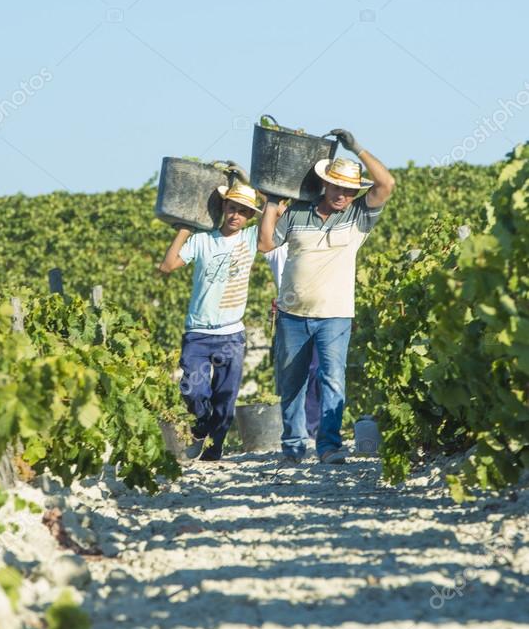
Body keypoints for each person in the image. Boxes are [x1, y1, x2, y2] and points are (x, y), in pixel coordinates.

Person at [258, 128, 396, 464]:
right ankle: (292, 448)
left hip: (335, 315)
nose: (344, 195)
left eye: (350, 190)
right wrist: (272, 204)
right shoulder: (296, 213)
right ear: (325, 184)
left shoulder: (358, 216)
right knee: (291, 384)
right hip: (292, 314)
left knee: (332, 379)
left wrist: (356, 147)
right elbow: (264, 244)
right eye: (338, 187)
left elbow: (387, 185)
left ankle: (329, 447)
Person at [158, 180, 263, 461]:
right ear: (223, 208)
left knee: (225, 396)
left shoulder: (251, 239)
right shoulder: (202, 240)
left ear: (250, 216)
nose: (235, 215)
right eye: (231, 208)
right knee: (193, 389)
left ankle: (214, 447)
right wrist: (185, 227)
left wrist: (261, 193)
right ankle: (201, 425)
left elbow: (271, 230)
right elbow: (167, 266)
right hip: (198, 332)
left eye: (243, 211)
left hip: (231, 334)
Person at [265, 244, 321, 448]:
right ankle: (297, 432)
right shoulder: (277, 249)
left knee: (317, 372)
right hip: (290, 318)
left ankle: (313, 429)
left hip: (322, 312)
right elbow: (270, 218)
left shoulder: (317, 240)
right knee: (293, 375)